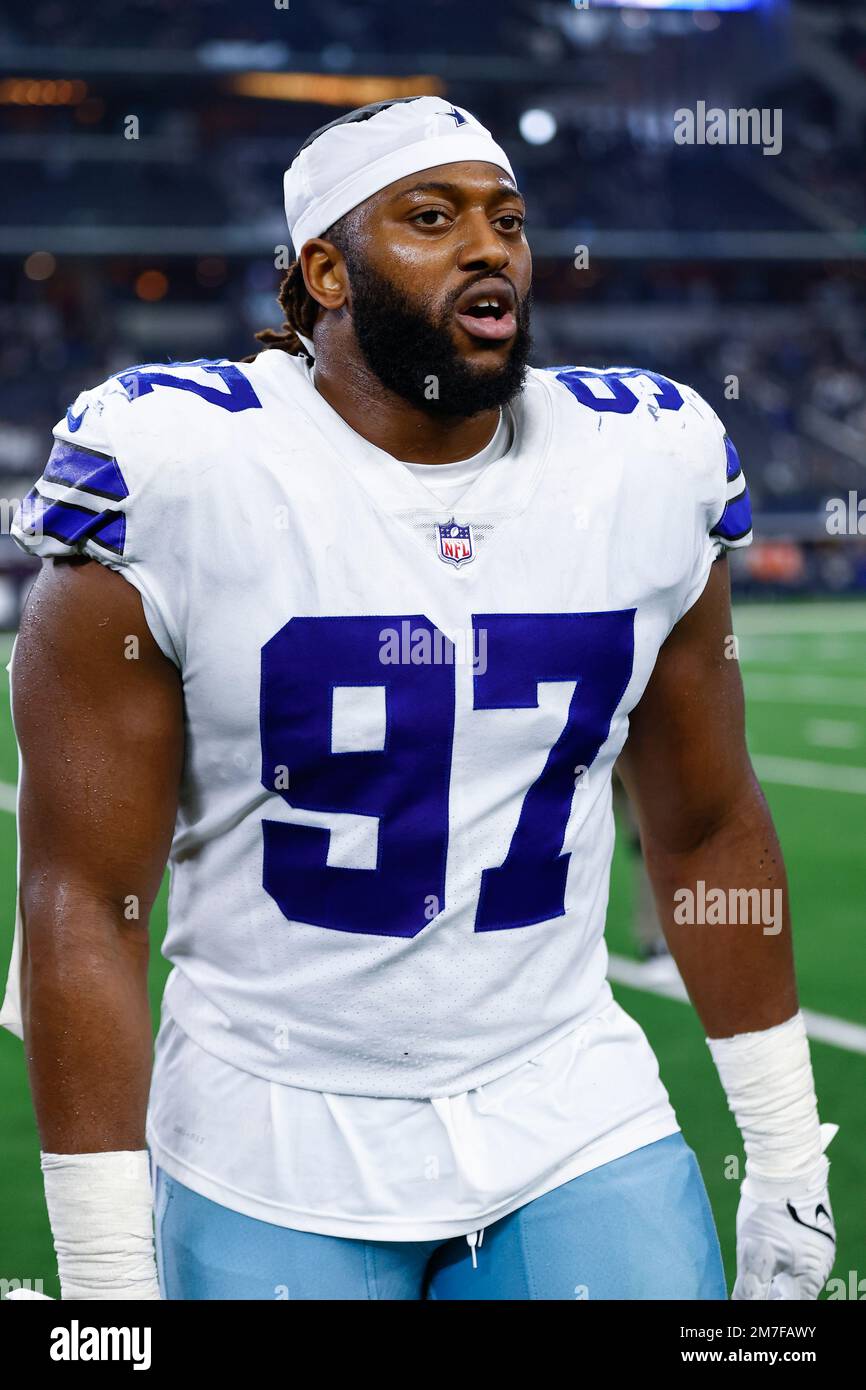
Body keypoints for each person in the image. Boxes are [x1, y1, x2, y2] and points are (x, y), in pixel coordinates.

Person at [2, 97, 836, 1301]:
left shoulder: (647, 461)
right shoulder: (178, 469)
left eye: (506, 218)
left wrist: (781, 1154)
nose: (487, 245)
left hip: (566, 1103)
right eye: (431, 217)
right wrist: (102, 1271)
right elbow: (83, 893)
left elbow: (704, 823)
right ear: (327, 271)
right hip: (267, 1126)